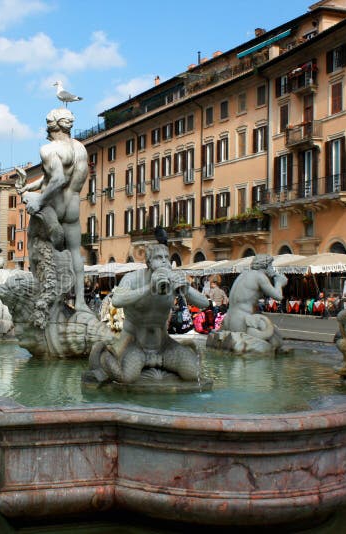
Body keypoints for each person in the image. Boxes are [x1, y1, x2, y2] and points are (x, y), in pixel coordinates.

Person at [84, 243, 209, 384]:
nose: (163, 261)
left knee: (193, 373)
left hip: (163, 345)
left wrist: (185, 289)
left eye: (166, 257)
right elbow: (117, 300)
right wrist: (150, 287)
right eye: (158, 257)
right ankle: (105, 354)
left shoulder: (173, 280)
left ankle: (169, 358)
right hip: (134, 343)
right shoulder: (133, 279)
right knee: (127, 378)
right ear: (148, 262)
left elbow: (204, 303)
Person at [16, 107, 90, 312]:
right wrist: (32, 186)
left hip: (54, 205)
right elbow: (58, 177)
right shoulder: (80, 148)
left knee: (33, 240)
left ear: (51, 125)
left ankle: (41, 290)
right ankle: (81, 302)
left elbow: (56, 178)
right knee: (75, 252)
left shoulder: (48, 149)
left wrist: (38, 201)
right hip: (73, 206)